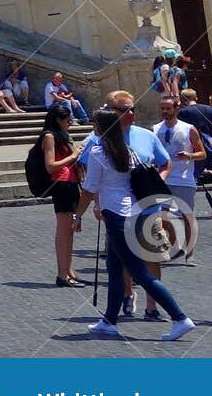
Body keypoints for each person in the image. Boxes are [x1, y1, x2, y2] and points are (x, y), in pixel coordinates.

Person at [75, 102, 195, 340]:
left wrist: (77, 215)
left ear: (101, 127)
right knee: (114, 268)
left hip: (117, 215)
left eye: (95, 123)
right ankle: (109, 320)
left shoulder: (99, 152)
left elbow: (89, 189)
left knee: (139, 271)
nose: (93, 127)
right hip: (133, 211)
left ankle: (180, 317)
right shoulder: (127, 150)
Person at [39, 102, 84, 287]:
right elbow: (50, 165)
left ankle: (69, 269)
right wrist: (73, 156)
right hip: (61, 183)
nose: (70, 123)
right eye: (67, 120)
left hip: (72, 182)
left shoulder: (63, 135)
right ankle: (61, 273)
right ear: (58, 120)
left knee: (71, 229)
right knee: (64, 229)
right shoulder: (49, 137)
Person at [156, 94, 206, 247]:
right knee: (162, 215)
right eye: (163, 108)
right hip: (163, 178)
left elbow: (202, 153)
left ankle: (189, 251)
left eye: (168, 108)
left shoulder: (188, 129)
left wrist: (189, 155)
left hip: (184, 179)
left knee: (187, 216)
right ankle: (168, 245)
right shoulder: (156, 128)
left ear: (177, 109)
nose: (165, 111)